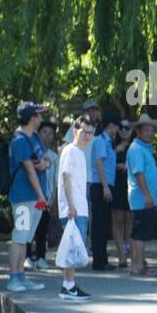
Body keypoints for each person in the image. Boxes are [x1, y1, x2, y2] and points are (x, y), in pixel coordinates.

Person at [6, 102, 51, 293]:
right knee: (19, 236)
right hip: (25, 197)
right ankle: (14, 277)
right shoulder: (19, 140)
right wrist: (42, 196)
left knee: (26, 237)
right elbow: (30, 170)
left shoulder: (34, 138)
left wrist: (43, 165)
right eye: (39, 115)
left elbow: (44, 161)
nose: (41, 118)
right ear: (32, 118)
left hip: (35, 198)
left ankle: (21, 276)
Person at [57, 116, 95, 300]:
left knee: (73, 247)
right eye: (83, 132)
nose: (87, 136)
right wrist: (71, 205)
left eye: (90, 133)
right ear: (75, 131)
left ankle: (68, 285)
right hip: (73, 208)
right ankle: (69, 286)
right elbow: (65, 177)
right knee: (72, 248)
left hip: (79, 207)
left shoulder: (79, 152)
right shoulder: (70, 150)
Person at [125, 115, 157, 276]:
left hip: (145, 198)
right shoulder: (137, 149)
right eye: (147, 130)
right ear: (138, 131)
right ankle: (138, 266)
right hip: (142, 198)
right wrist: (147, 196)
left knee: (138, 232)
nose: (150, 133)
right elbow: (138, 173)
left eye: (152, 131)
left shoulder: (144, 148)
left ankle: (138, 264)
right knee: (140, 233)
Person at [28, 118, 60, 272]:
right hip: (31, 197)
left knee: (42, 229)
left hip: (47, 198)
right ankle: (28, 257)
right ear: (38, 134)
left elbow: (56, 181)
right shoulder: (32, 152)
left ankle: (41, 257)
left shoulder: (55, 157)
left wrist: (54, 202)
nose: (47, 136)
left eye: (50, 134)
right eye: (44, 133)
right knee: (29, 228)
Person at [88, 114, 119, 271]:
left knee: (104, 224)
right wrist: (105, 187)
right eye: (117, 125)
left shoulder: (108, 142)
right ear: (111, 126)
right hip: (101, 185)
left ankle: (103, 260)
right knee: (99, 225)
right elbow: (99, 163)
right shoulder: (100, 140)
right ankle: (99, 261)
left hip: (106, 184)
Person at [111, 119, 134, 268]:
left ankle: (130, 250)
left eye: (127, 127)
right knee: (118, 219)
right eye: (121, 127)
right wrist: (116, 153)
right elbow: (100, 163)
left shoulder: (137, 145)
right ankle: (121, 256)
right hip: (117, 185)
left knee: (131, 219)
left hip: (133, 185)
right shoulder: (111, 145)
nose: (124, 130)